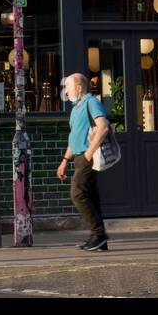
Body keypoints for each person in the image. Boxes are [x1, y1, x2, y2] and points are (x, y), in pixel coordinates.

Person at [56, 73, 110, 252]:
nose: (66, 91)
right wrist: (65, 160)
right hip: (78, 157)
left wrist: (89, 153)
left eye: (69, 87)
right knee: (92, 197)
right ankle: (99, 238)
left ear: (79, 87)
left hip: (88, 157)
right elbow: (74, 137)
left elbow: (103, 127)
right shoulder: (76, 107)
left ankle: (98, 234)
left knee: (77, 193)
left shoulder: (90, 102)